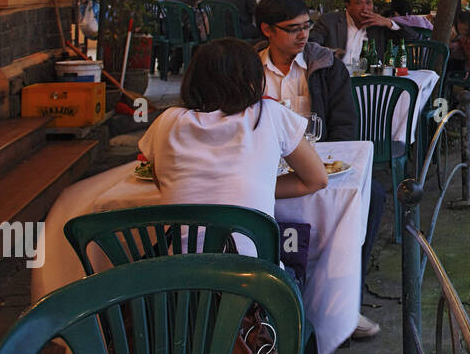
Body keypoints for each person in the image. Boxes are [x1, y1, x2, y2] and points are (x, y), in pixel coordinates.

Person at [138, 38, 329, 242]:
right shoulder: (269, 114)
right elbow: (317, 179)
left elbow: (162, 181)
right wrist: (255, 185)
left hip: (179, 267)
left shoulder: (167, 121)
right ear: (252, 80)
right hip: (252, 269)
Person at [254, 0, 357, 141]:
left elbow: (344, 126)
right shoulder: (248, 69)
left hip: (318, 157)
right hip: (262, 158)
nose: (303, 35)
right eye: (293, 28)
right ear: (267, 30)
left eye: (307, 26)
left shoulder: (328, 67)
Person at [309, 0, 406, 66]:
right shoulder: (329, 21)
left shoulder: (378, 25)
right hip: (335, 79)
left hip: (370, 81)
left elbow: (413, 37)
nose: (365, 8)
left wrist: (388, 23)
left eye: (368, 3)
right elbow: (311, 47)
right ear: (347, 5)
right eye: (359, 3)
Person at [447, 8, 470, 75]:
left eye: (464, 29)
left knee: (449, 65)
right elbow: (459, 43)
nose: (461, 31)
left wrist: (469, 73)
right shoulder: (466, 34)